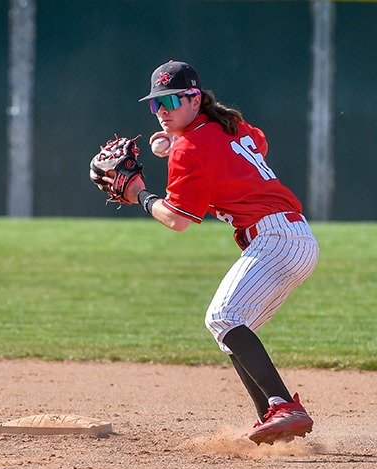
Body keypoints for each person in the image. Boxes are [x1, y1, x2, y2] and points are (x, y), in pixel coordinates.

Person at [124, 60, 320, 445]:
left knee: (224, 316)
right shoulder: (230, 124)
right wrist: (178, 142)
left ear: (195, 99)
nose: (162, 110)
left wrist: (139, 193)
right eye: (155, 104)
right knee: (229, 329)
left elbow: (177, 219)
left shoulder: (190, 146)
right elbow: (256, 143)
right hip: (295, 238)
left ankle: (284, 406)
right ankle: (273, 418)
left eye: (172, 100)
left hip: (275, 239)